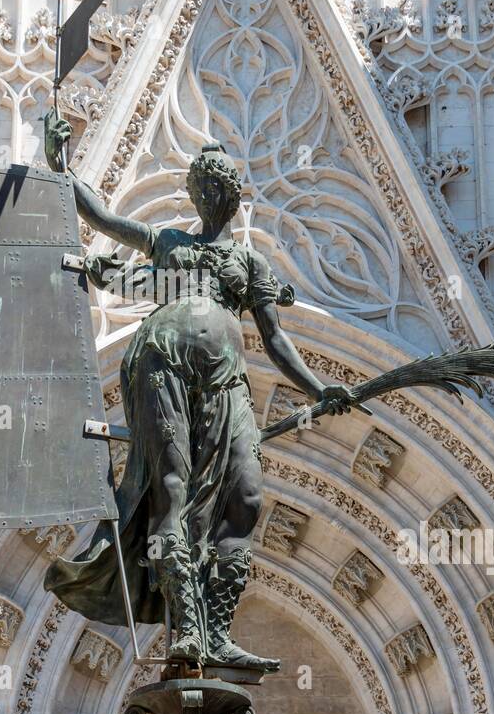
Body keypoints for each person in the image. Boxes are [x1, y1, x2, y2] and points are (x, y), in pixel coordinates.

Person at [42, 115, 354, 671]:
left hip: (225, 381)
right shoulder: (168, 242)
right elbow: (103, 218)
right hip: (162, 361)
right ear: (195, 194)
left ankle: (215, 628)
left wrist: (319, 388)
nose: (210, 193)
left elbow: (276, 340)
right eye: (201, 186)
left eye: (218, 186)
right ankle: (186, 630)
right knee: (171, 489)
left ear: (231, 198)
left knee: (247, 497)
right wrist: (61, 167)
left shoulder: (248, 263)